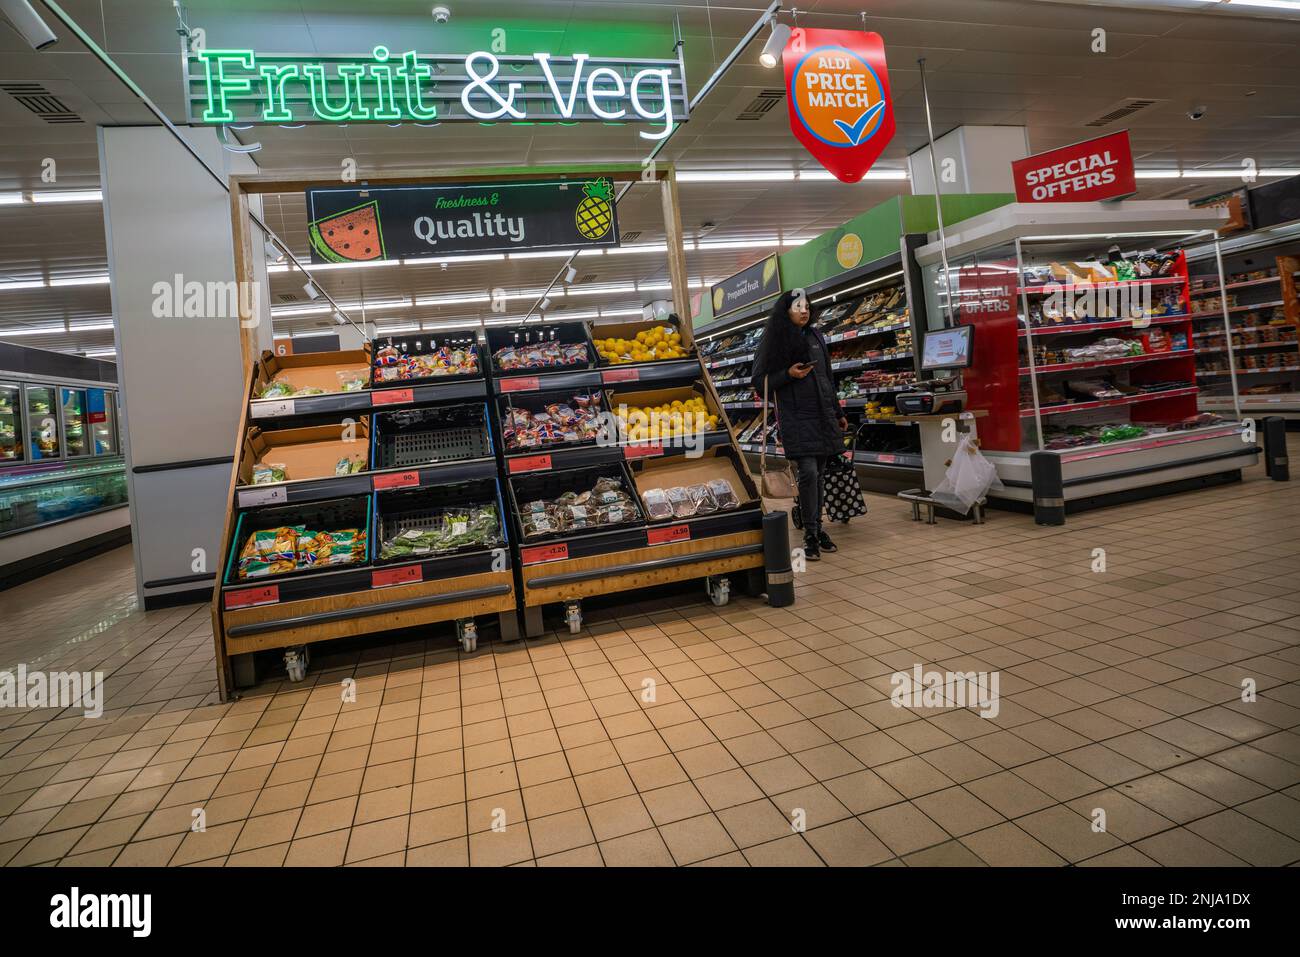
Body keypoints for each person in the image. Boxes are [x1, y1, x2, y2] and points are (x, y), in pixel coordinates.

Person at [750, 288, 848, 560]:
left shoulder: (817, 336)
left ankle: (816, 529)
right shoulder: (773, 341)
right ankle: (810, 535)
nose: (803, 311)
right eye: (797, 307)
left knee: (819, 474)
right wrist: (788, 374)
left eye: (806, 306)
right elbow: (759, 382)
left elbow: (827, 377)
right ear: (786, 311)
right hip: (796, 417)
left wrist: (837, 411)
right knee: (808, 474)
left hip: (822, 415)